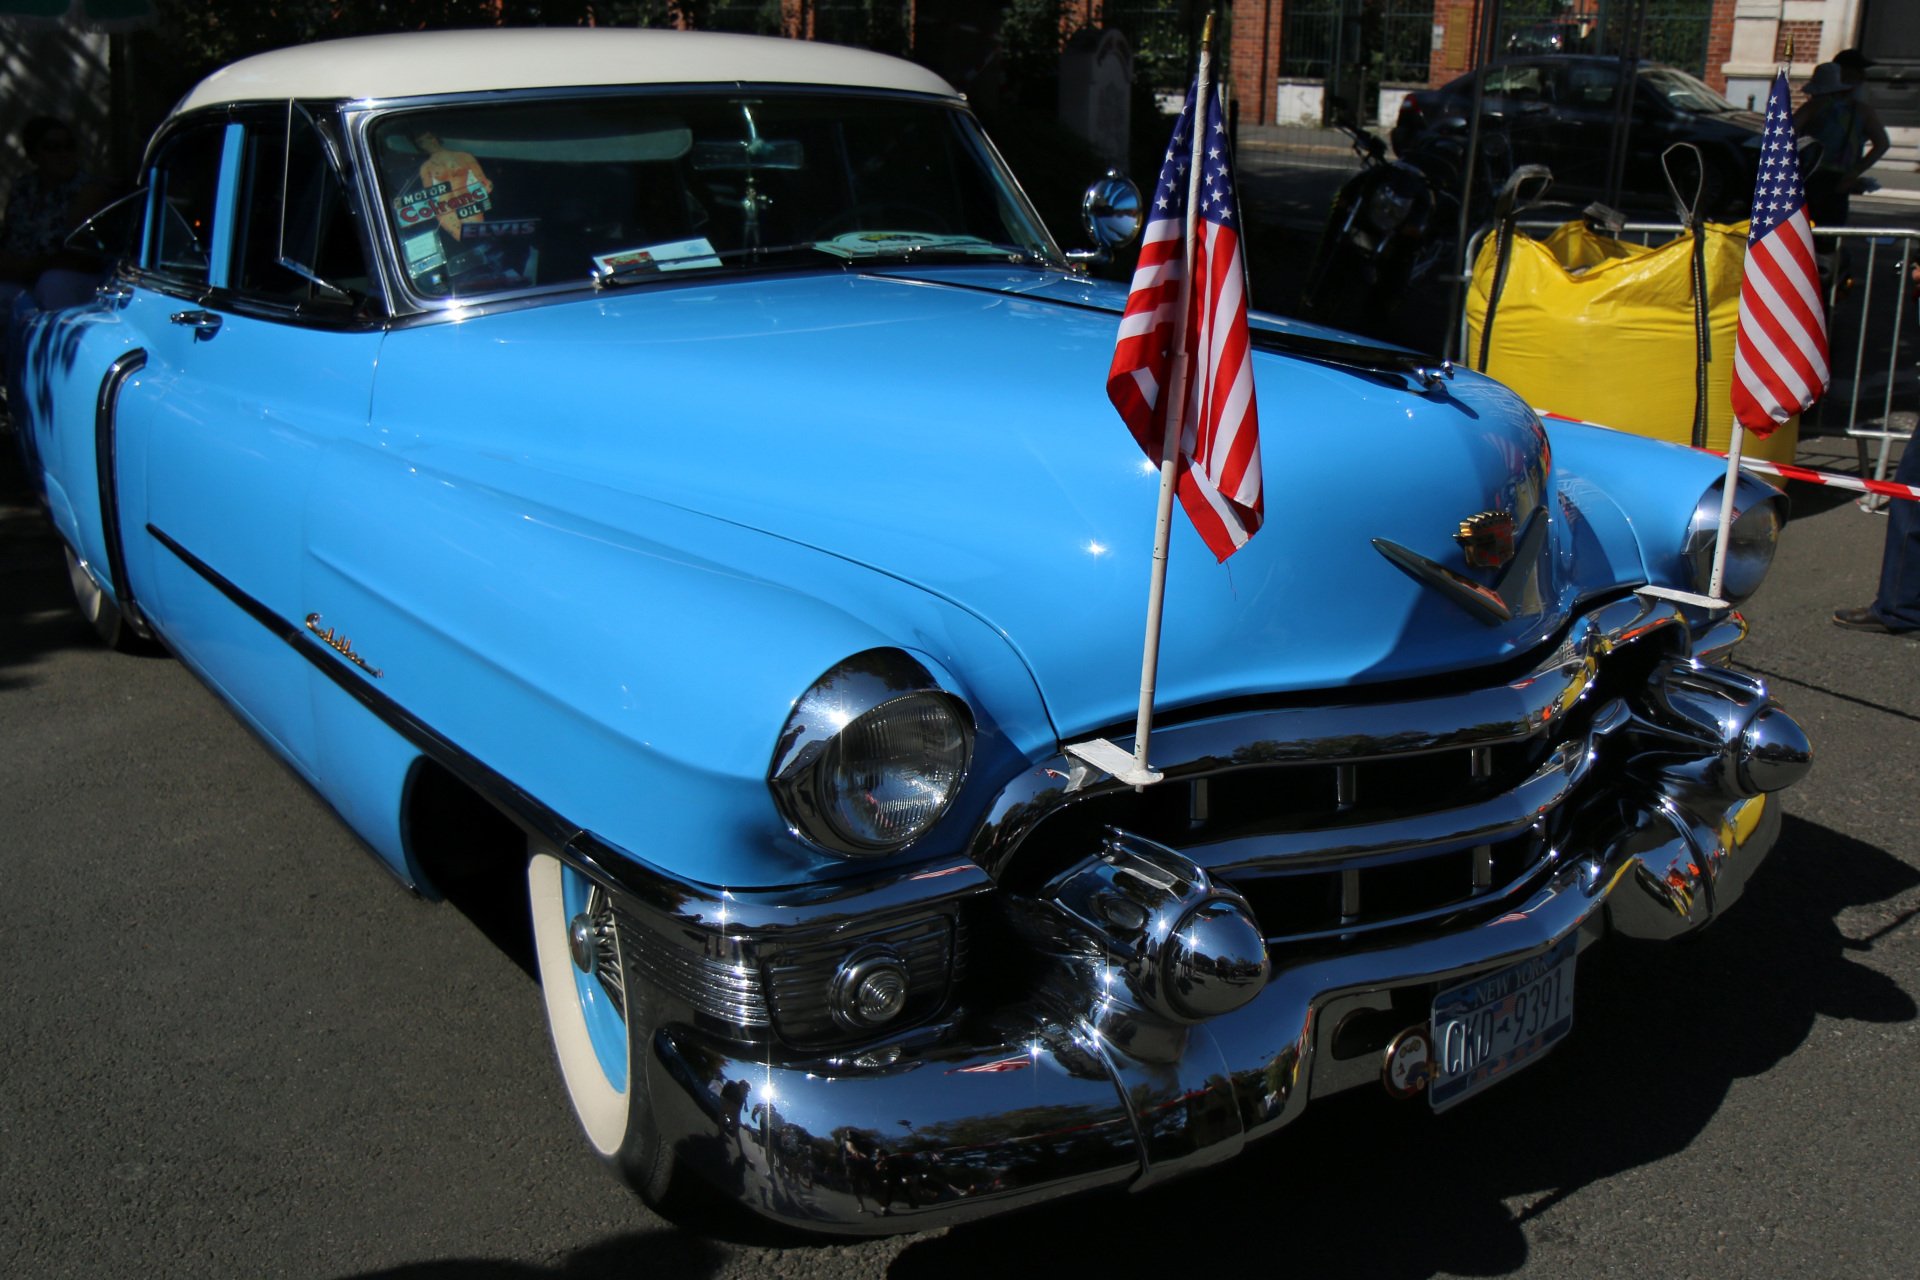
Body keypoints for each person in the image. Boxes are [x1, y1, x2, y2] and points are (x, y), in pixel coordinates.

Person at [0, 116, 111, 310]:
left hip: (65, 275)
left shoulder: (88, 190)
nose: (63, 154)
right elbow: (9, 236)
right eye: (52, 147)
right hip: (20, 275)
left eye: (69, 146)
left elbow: (80, 255)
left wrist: (32, 267)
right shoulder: (23, 188)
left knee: (54, 283)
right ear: (34, 155)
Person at [1794, 51, 1890, 229]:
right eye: (1859, 73)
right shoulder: (1862, 111)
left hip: (1808, 175)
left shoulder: (1814, 106)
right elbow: (1882, 143)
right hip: (1838, 179)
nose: (1863, 79)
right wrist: (1853, 173)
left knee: (1801, 233)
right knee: (1828, 233)